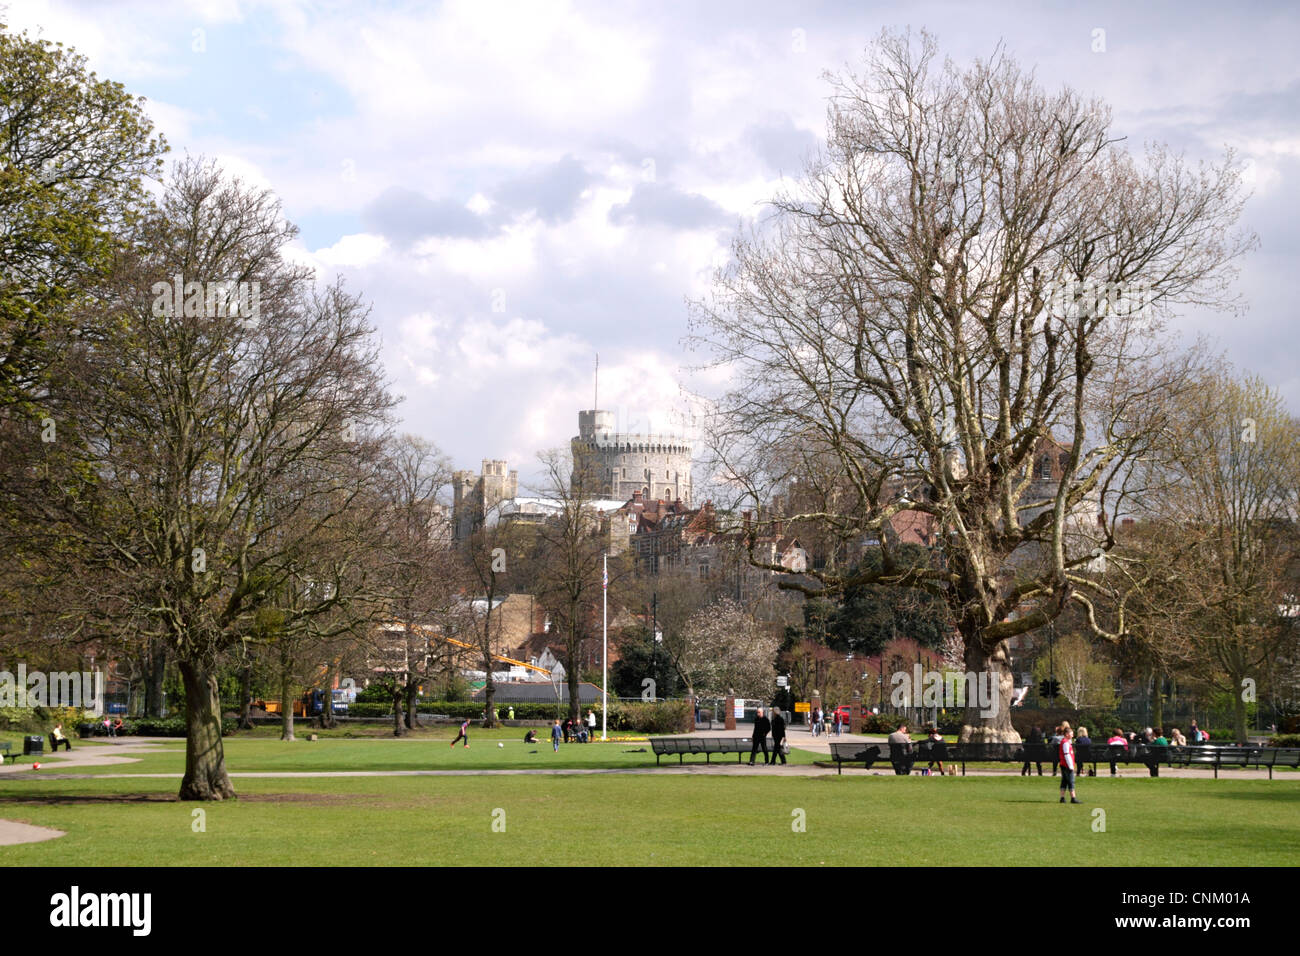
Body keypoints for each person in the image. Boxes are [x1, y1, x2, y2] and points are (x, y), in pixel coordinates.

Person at [1058, 722, 1080, 803]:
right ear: (1067, 734)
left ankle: (1062, 797)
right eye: (1071, 733)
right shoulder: (1065, 743)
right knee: (1071, 781)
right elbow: (1066, 754)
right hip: (1066, 765)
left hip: (1064, 764)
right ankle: (1073, 798)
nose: (1072, 735)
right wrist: (1070, 766)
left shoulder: (1066, 742)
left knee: (1064, 781)